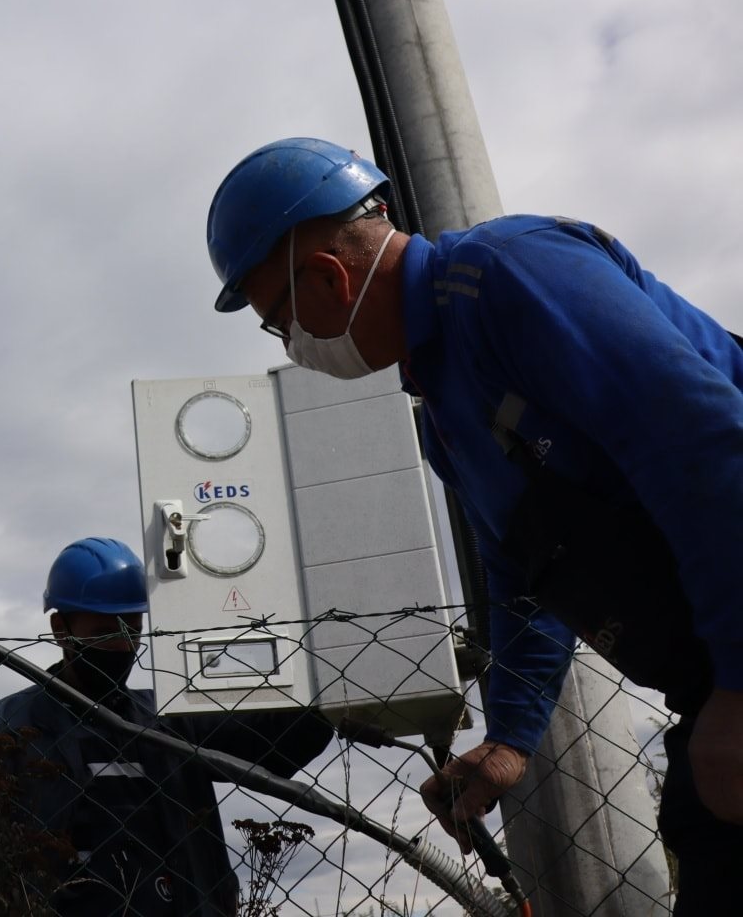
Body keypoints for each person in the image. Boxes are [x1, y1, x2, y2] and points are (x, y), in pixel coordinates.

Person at [204, 136, 743, 912]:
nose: (289, 345)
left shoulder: (511, 271)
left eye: (276, 322)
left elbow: (708, 446)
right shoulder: (445, 410)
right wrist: (511, 740)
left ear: (327, 276)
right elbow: (527, 579)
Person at [0, 537, 333, 915]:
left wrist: (330, 703)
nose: (124, 645)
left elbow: (271, 744)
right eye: (106, 631)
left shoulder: (172, 718)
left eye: (133, 627)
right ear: (61, 630)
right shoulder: (11, 731)